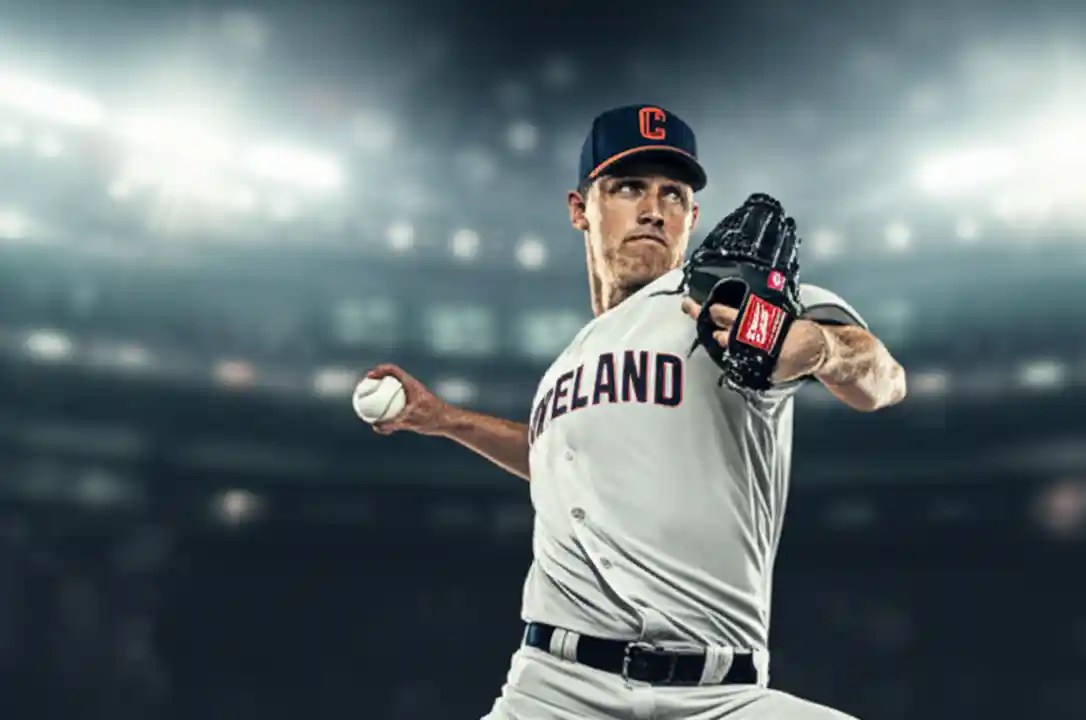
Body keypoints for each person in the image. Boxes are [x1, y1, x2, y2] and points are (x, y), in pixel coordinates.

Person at [364, 104, 907, 719]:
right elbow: (555, 457)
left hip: (718, 696)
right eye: (628, 187)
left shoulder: (722, 299)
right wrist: (444, 419)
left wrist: (815, 347)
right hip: (554, 690)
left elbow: (883, 379)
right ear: (580, 209)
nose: (654, 208)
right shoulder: (565, 366)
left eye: (673, 194)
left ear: (692, 217)